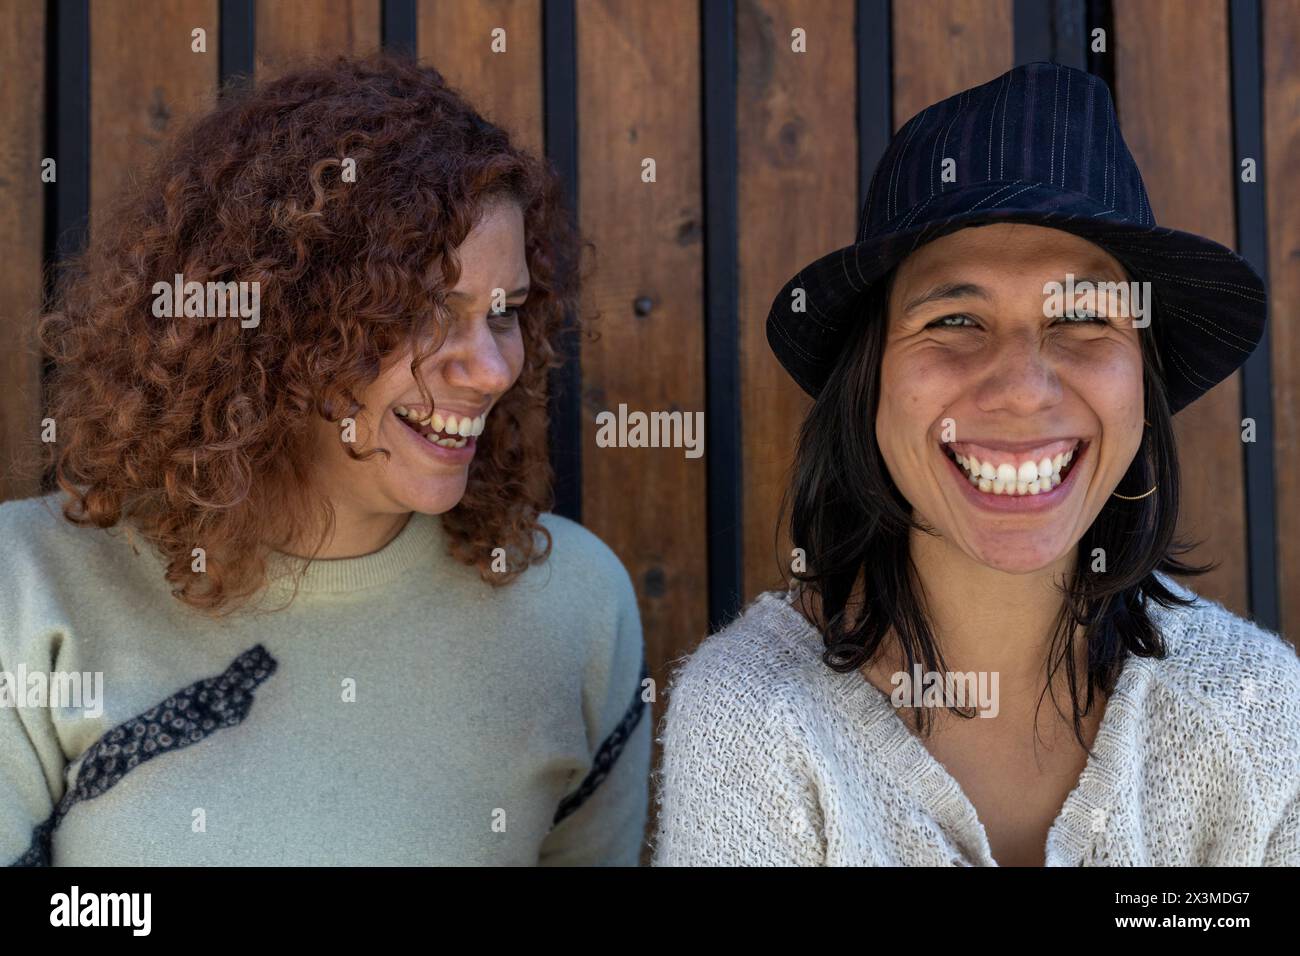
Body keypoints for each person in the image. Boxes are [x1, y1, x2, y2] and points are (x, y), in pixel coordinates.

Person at [0, 54, 650, 866]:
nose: (491, 368)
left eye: (505, 312)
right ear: (276, 324)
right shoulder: (31, 590)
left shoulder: (576, 609)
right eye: (424, 312)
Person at [653, 62, 1298, 866]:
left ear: (1143, 380)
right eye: (955, 317)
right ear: (870, 384)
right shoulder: (755, 716)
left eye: (1086, 317)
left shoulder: (1259, 711)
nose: (1024, 390)